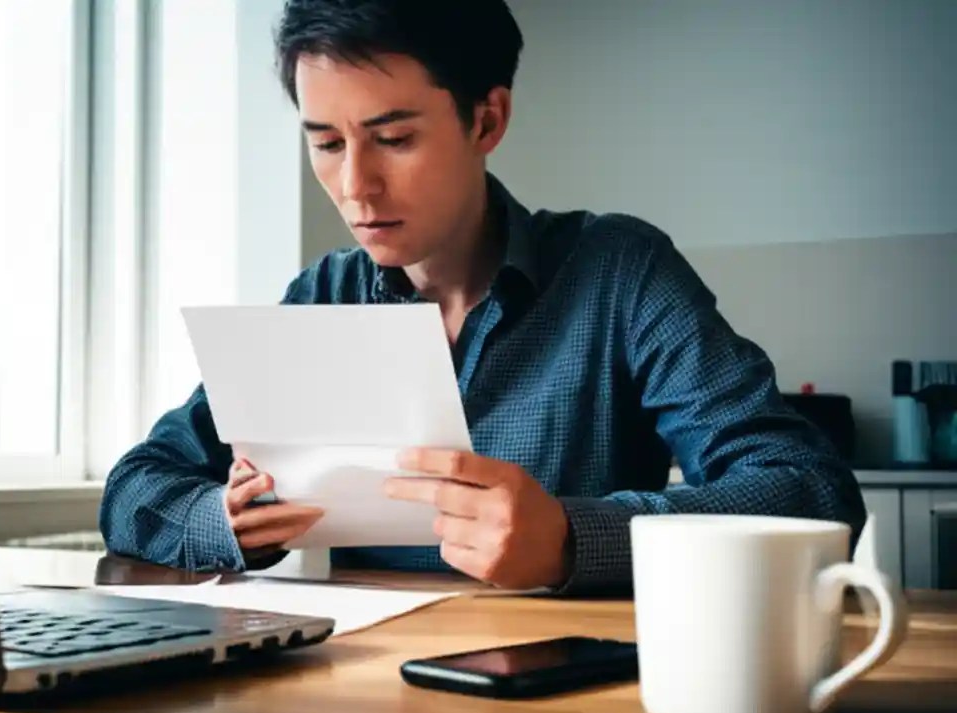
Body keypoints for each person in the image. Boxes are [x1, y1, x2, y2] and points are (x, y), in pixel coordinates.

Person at [99, 0, 865, 594]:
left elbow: (813, 494)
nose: (355, 187)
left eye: (394, 139)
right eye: (327, 143)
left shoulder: (619, 272)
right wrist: (224, 523)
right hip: (365, 685)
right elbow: (136, 487)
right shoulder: (320, 298)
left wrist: (573, 537)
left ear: (487, 119)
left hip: (575, 688)